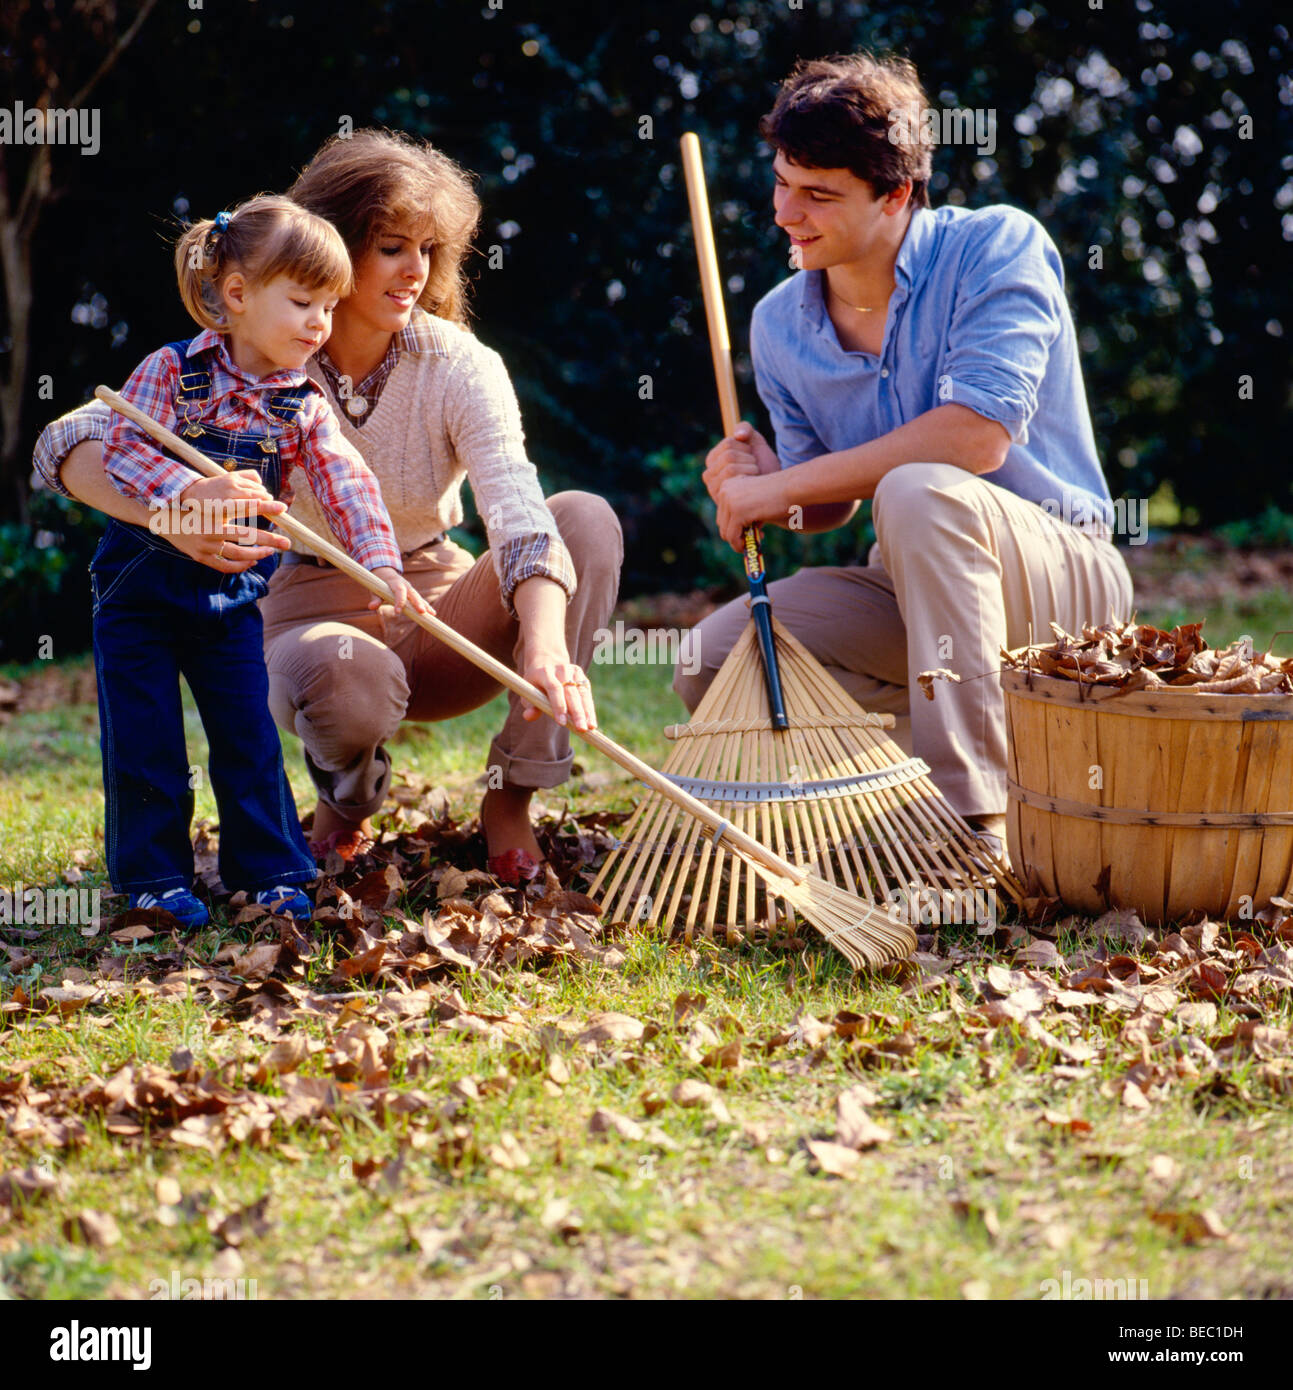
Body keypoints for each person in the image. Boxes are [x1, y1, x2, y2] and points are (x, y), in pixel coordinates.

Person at [33, 130, 622, 885]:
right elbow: (69, 438)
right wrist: (172, 513)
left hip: (432, 597)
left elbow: (515, 502)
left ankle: (511, 800)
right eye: (390, 247)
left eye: (430, 250)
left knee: (585, 518)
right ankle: (344, 800)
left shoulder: (459, 362)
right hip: (300, 602)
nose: (417, 271)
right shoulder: (251, 350)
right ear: (328, 248)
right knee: (346, 677)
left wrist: (542, 640)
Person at [675, 54, 1134, 863]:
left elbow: (974, 438)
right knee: (711, 661)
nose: (787, 213)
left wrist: (781, 482)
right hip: (915, 598)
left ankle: (974, 828)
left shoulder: (996, 246)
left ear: (896, 194)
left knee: (922, 488)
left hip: (1063, 584)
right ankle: (933, 778)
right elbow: (826, 512)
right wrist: (758, 485)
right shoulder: (781, 322)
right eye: (782, 182)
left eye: (818, 195)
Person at [89, 194, 420, 930]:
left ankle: (268, 868)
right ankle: (153, 880)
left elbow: (346, 483)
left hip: (231, 599)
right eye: (303, 301)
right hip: (138, 593)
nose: (319, 324)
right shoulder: (171, 373)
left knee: (246, 732)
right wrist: (190, 490)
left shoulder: (299, 404)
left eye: (329, 308)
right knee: (144, 740)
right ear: (237, 295)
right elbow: (120, 447)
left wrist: (381, 565)